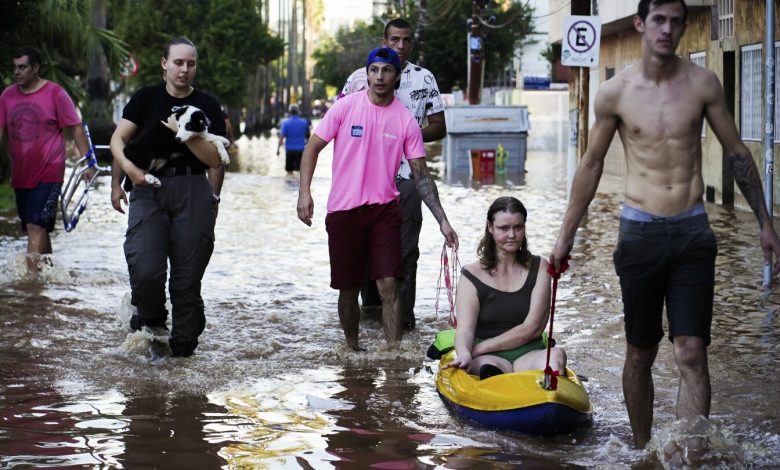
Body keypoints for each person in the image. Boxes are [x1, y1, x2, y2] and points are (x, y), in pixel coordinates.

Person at [548, 0, 780, 449]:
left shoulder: (702, 84)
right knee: (641, 352)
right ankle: (642, 452)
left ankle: (689, 454)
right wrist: (564, 238)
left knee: (691, 351)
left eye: (677, 21)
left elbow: (736, 153)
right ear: (641, 23)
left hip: (693, 232)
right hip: (639, 233)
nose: (668, 29)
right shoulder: (617, 92)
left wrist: (765, 224)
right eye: (659, 19)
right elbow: (591, 166)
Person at [297, 47, 458, 351]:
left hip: (384, 211)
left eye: (386, 70)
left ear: (397, 76)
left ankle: (393, 354)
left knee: (389, 285)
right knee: (348, 290)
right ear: (367, 74)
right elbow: (312, 148)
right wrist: (304, 193)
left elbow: (421, 175)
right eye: (374, 70)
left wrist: (443, 221)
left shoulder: (406, 120)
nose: (379, 76)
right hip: (344, 212)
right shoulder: (345, 108)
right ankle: (353, 349)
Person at [110, 37, 226, 358]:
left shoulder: (208, 104)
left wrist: (183, 131)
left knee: (186, 282)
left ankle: (184, 351)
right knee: (146, 270)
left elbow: (214, 160)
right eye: (178, 62)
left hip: (192, 189)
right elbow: (119, 141)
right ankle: (152, 321)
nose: (184, 69)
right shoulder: (146, 98)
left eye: (190, 63)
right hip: (147, 188)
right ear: (165, 64)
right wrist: (119, 181)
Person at [340, 18, 447, 331]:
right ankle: (372, 308)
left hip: (407, 178)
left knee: (405, 250)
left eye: (406, 41)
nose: (401, 46)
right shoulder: (359, 79)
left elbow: (440, 125)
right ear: (383, 41)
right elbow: (339, 122)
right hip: (362, 183)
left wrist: (406, 135)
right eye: (395, 40)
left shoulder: (423, 78)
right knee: (363, 252)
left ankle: (403, 322)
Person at [445, 196, 566, 379]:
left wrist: (477, 349)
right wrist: (464, 352)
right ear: (490, 228)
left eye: (518, 227)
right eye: (504, 228)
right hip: (488, 358)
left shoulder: (541, 266)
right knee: (488, 369)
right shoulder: (471, 274)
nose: (512, 235)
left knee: (557, 356)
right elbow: (465, 329)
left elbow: (532, 328)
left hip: (529, 353)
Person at [0, 47, 90, 267]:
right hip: (21, 174)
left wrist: (87, 162)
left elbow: (76, 128)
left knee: (34, 227)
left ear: (35, 68)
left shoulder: (55, 93)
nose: (17, 72)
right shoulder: (7, 96)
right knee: (39, 227)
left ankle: (29, 289)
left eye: (22, 67)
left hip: (49, 171)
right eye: (15, 67)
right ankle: (49, 278)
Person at [277, 104, 310, 177]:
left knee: (289, 172)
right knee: (300, 172)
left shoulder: (285, 123)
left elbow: (281, 137)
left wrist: (278, 149)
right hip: (301, 150)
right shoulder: (304, 123)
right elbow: (308, 136)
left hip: (289, 151)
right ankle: (297, 187)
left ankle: (289, 187)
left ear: (289, 112)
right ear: (298, 112)